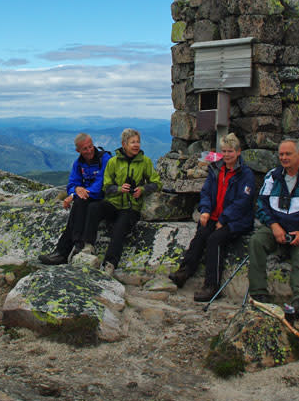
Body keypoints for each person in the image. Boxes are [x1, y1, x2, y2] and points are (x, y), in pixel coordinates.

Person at [247, 138, 299, 319]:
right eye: (281, 154)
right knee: (256, 242)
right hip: (277, 229)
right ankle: (258, 294)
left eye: (288, 154)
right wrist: (274, 226)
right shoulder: (273, 176)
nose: (284, 158)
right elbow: (261, 205)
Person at [168, 133, 255, 302]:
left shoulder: (246, 174)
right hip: (214, 216)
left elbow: (242, 202)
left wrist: (224, 219)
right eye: (224, 151)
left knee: (215, 239)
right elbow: (206, 191)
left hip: (237, 221)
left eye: (231, 151)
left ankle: (211, 285)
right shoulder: (216, 169)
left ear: (238, 152)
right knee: (202, 233)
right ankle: (184, 272)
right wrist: (206, 210)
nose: (227, 154)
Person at [84, 128, 160, 276]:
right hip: (113, 204)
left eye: (138, 142)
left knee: (120, 227)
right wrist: (119, 189)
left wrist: (142, 190)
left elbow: (156, 183)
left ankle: (110, 264)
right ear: (124, 144)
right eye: (133, 142)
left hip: (131, 207)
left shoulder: (145, 162)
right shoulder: (113, 162)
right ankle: (88, 246)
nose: (136, 145)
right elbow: (106, 186)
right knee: (94, 207)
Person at [39, 133, 111, 265]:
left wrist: (79, 193)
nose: (89, 150)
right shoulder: (78, 164)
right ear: (78, 150)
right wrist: (75, 191)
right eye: (85, 149)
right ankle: (71, 248)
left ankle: (65, 250)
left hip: (103, 198)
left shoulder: (105, 159)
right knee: (79, 204)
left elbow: (102, 182)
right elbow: (72, 183)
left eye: (90, 146)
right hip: (87, 198)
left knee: (80, 204)